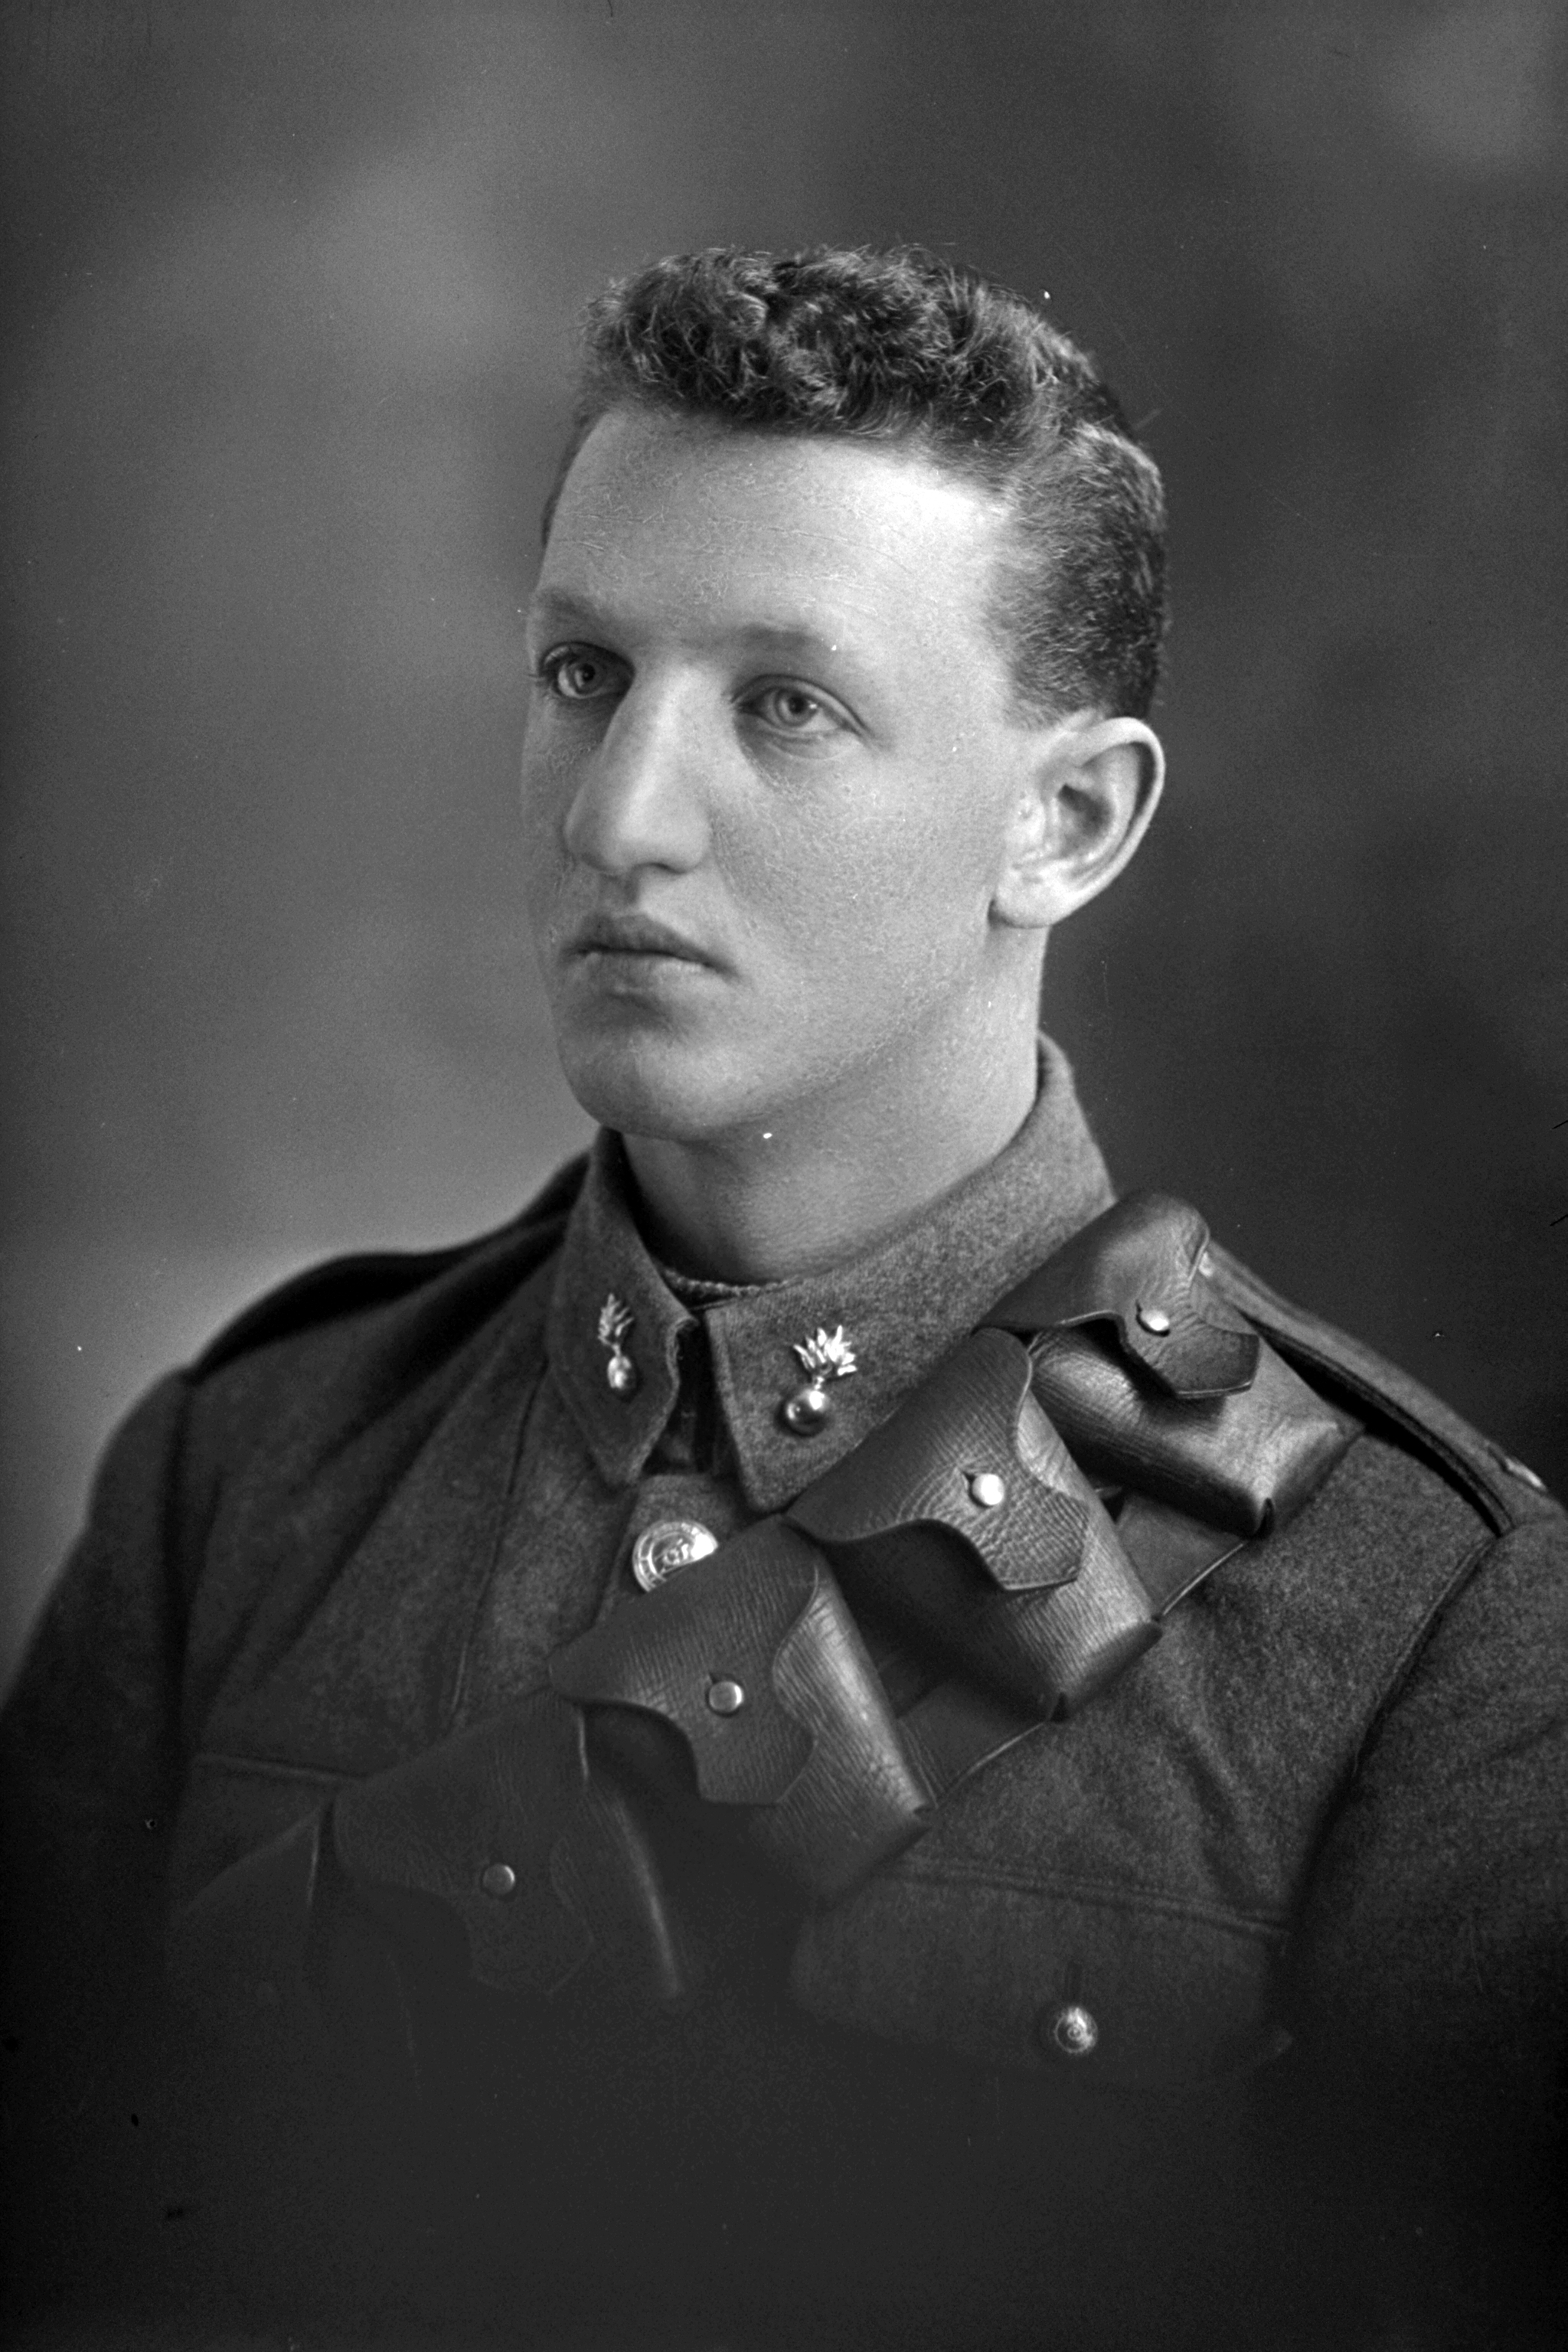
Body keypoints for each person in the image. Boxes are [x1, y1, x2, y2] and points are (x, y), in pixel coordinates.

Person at [3, 244, 1563, 2352]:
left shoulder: (1423, 1624)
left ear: (1070, 821)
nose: (624, 815)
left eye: (786, 705)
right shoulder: (248, 1482)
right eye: (583, 674)